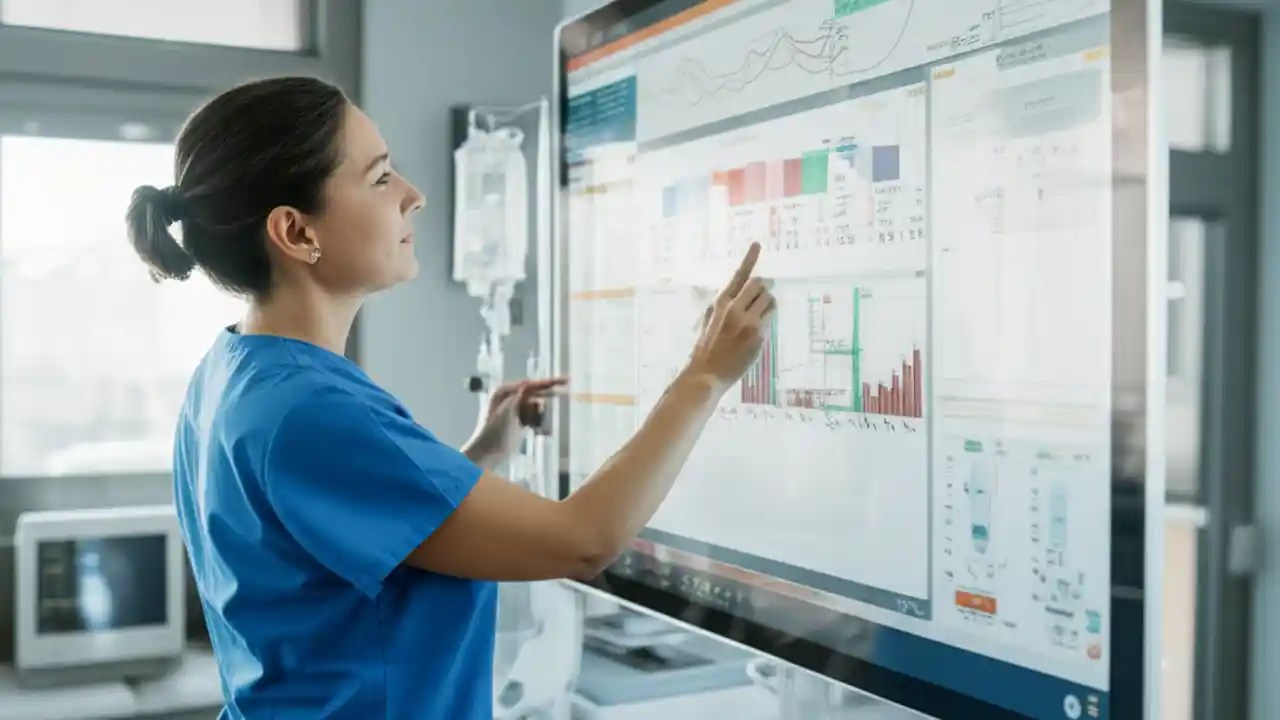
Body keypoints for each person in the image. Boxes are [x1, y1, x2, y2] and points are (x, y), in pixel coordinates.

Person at [124, 76, 775, 720]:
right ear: (296, 233)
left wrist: (478, 456)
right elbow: (583, 541)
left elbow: (336, 545)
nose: (414, 196)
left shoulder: (233, 372)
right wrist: (704, 375)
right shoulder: (310, 410)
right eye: (380, 178)